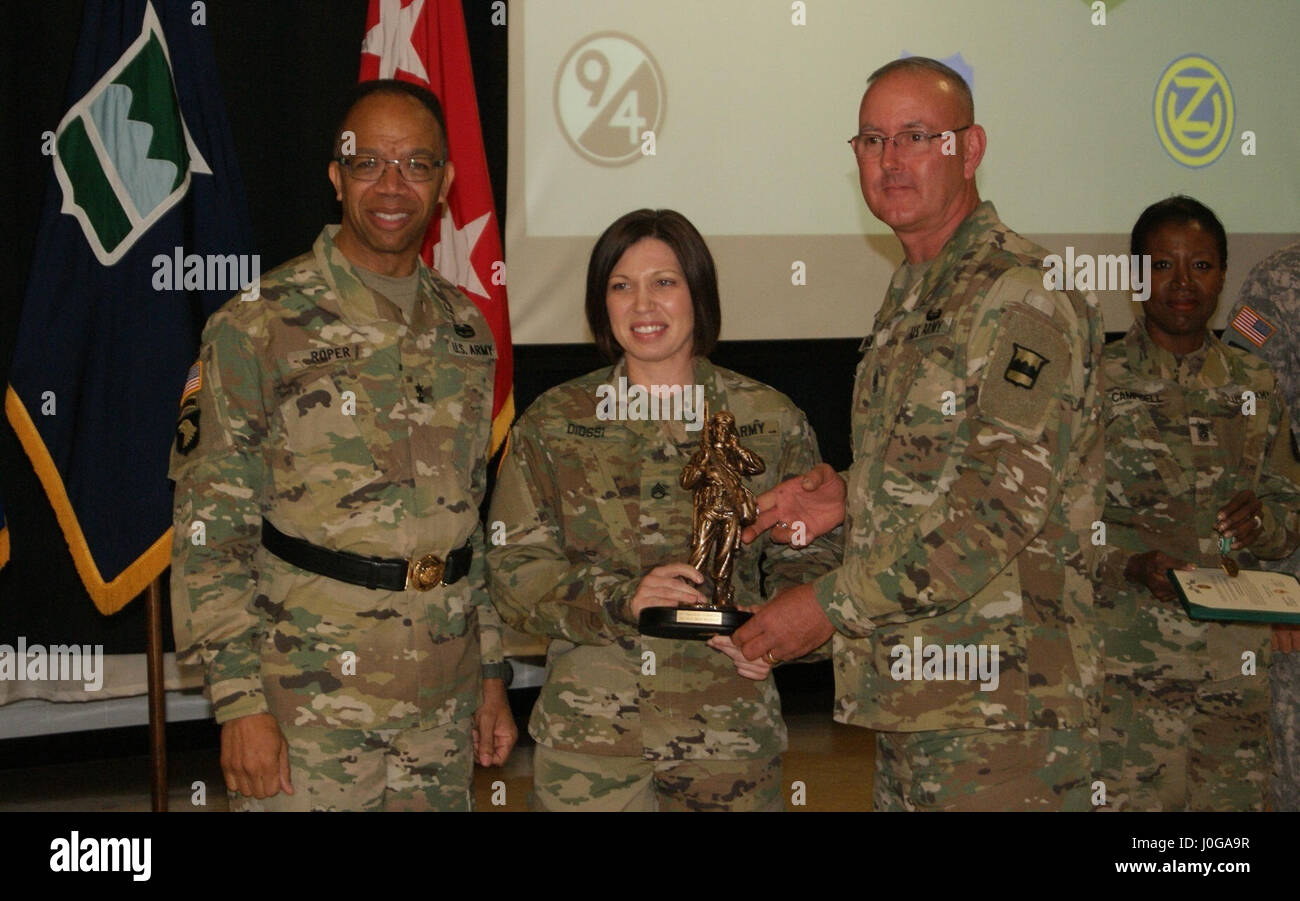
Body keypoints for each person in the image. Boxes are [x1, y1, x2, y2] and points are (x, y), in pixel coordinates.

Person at [733, 56, 1106, 810]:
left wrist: (826, 605)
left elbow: (994, 510)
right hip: (920, 701)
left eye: (915, 137)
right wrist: (853, 493)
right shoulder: (913, 294)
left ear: (969, 150)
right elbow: (938, 471)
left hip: (1004, 719)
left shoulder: (1021, 294)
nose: (890, 160)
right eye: (871, 140)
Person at [168, 79, 516, 811]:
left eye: (417, 164)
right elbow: (210, 532)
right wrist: (238, 703)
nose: (393, 185)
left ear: (445, 184)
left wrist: (491, 674)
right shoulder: (257, 326)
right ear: (336, 178)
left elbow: (469, 525)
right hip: (309, 705)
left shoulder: (465, 331)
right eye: (369, 164)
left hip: (442, 701)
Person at [485, 209, 838, 811]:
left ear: (699, 293)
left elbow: (813, 557)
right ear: (602, 305)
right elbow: (513, 570)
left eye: (664, 282)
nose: (642, 304)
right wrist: (622, 599)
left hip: (729, 735)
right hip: (592, 744)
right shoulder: (554, 423)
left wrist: (778, 631)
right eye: (621, 286)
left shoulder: (769, 420)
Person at [1119, 220, 1300, 811]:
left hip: (1233, 675)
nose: (1181, 283)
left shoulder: (1254, 383)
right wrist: (1126, 563)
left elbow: (1285, 511)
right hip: (1128, 670)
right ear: (1136, 275)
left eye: (1200, 266)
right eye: (1162, 265)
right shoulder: (1093, 383)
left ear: (1222, 276)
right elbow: (1056, 527)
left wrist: (1263, 526)